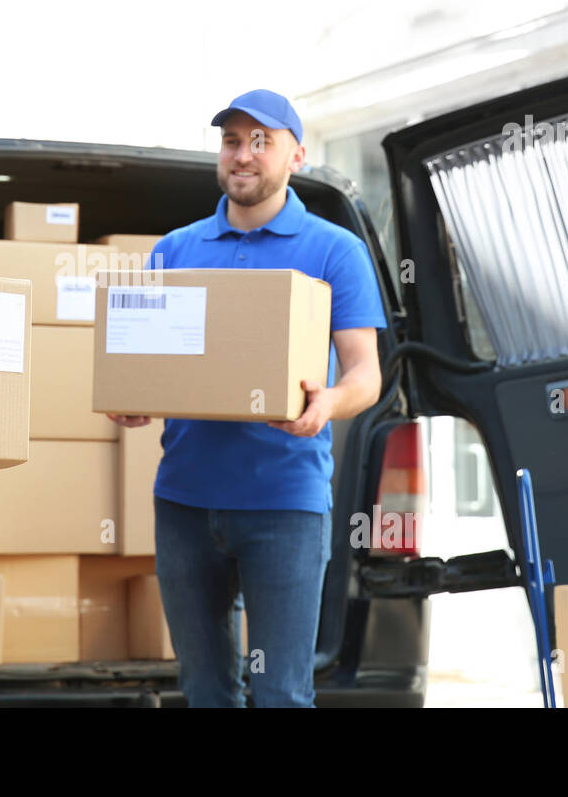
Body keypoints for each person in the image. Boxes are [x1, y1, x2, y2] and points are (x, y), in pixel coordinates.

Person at [109, 89, 386, 707]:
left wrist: (327, 404)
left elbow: (366, 374)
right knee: (206, 691)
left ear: (296, 156)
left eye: (261, 141)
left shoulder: (334, 251)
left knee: (282, 693)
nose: (243, 155)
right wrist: (133, 399)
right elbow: (153, 368)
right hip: (184, 502)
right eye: (232, 141)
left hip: (283, 503)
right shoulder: (174, 251)